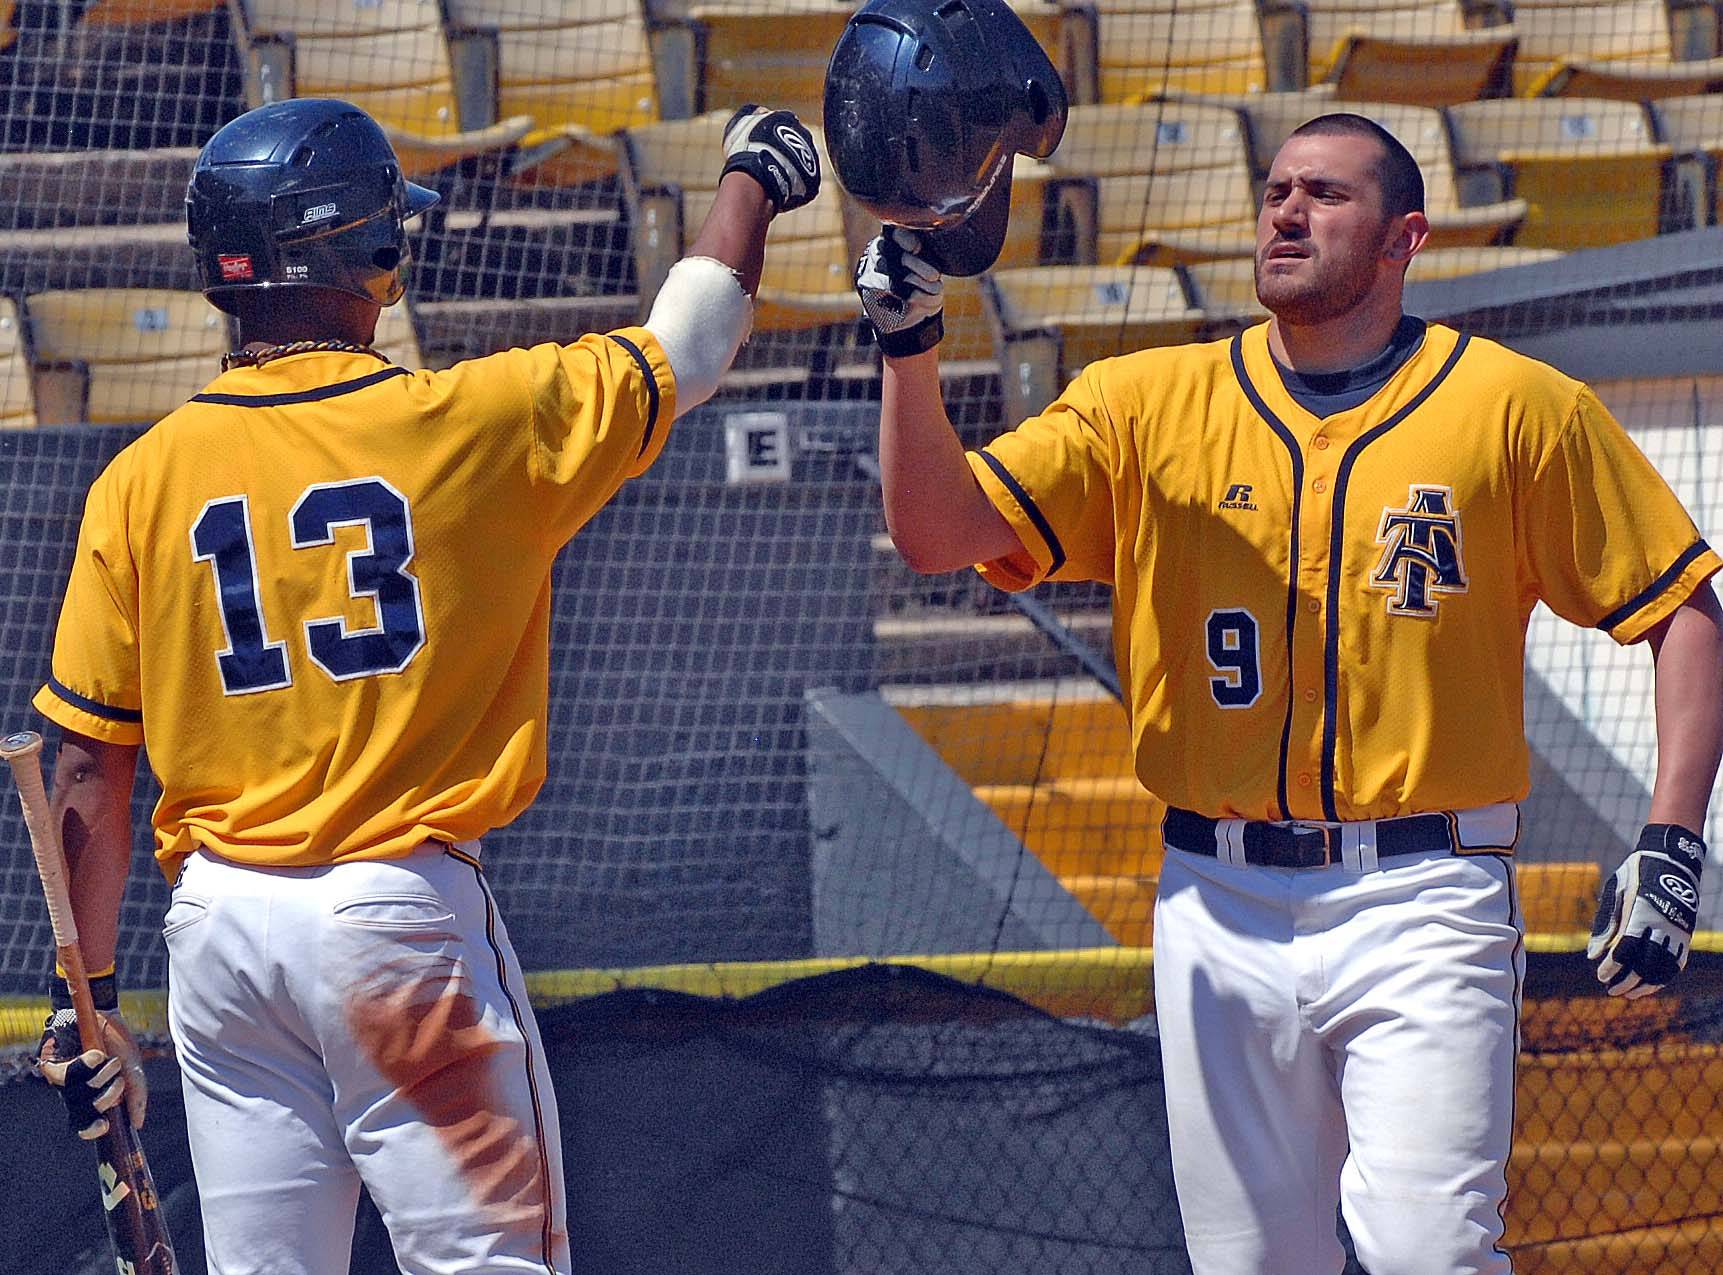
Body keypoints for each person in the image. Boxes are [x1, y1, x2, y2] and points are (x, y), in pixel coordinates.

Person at [856, 112, 1723, 1273]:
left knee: (1429, 1252)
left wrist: (1671, 836)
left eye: (1325, 194)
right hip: (1214, 901)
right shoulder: (1143, 403)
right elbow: (933, 533)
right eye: (1276, 191)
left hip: (1426, 892)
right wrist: (910, 349)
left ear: (1404, 235)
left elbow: (1682, 609)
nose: (1286, 211)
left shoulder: (1514, 409)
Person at [31, 95, 819, 1275]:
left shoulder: (137, 481)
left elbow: (85, 767)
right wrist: (754, 174)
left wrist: (83, 999)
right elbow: (694, 345)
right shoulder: (472, 420)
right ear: (368, 256)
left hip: (222, 938)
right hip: (396, 925)